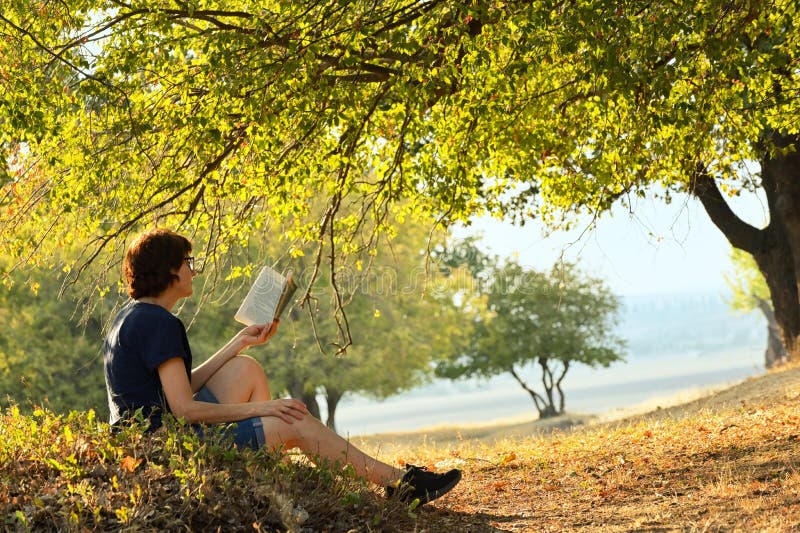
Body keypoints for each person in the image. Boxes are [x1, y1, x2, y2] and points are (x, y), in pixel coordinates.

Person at [103, 228, 461, 505]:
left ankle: (262, 465)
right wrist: (265, 408)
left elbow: (180, 388)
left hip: (151, 442)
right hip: (169, 450)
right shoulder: (159, 323)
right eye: (189, 263)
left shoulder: (132, 317)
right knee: (291, 418)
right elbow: (183, 409)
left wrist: (240, 342)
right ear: (170, 270)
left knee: (246, 368)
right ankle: (400, 483)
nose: (194, 272)